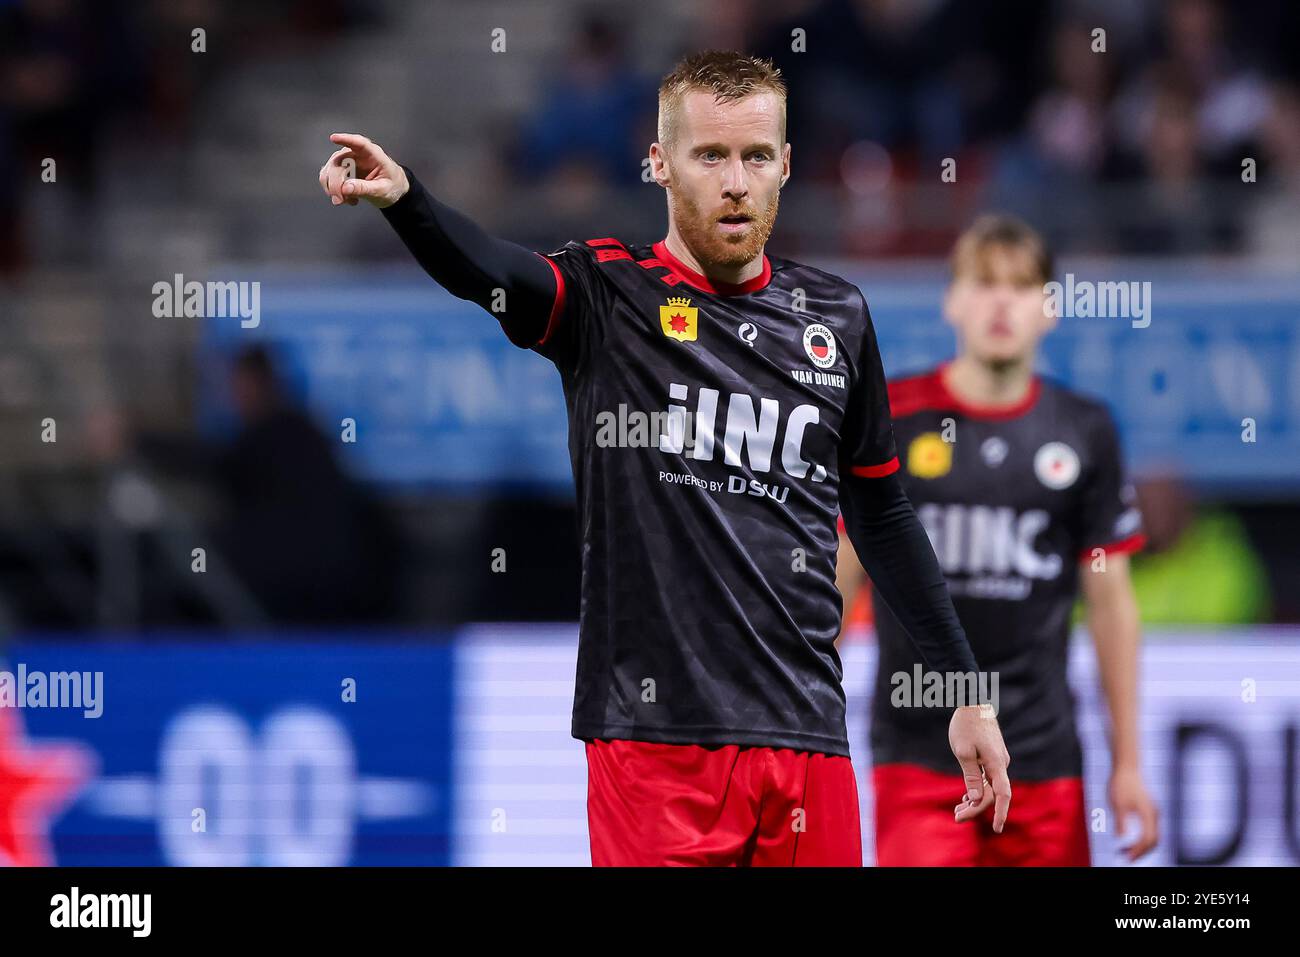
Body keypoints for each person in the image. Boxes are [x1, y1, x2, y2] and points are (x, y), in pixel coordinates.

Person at [318, 50, 1010, 866]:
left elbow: (883, 513)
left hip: (805, 741)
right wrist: (408, 202)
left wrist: (964, 689)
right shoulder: (607, 299)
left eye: (756, 156)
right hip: (654, 749)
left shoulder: (838, 319)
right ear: (658, 163)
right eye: (709, 155)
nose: (735, 182)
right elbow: (491, 270)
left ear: (786, 164)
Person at [837, 214, 1159, 865]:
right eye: (983, 284)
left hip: (1043, 757)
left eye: (1020, 286)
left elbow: (1110, 606)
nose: (1001, 303)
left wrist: (1128, 762)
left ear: (1049, 308)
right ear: (953, 300)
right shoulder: (892, 417)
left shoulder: (1085, 430)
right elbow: (837, 581)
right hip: (919, 756)